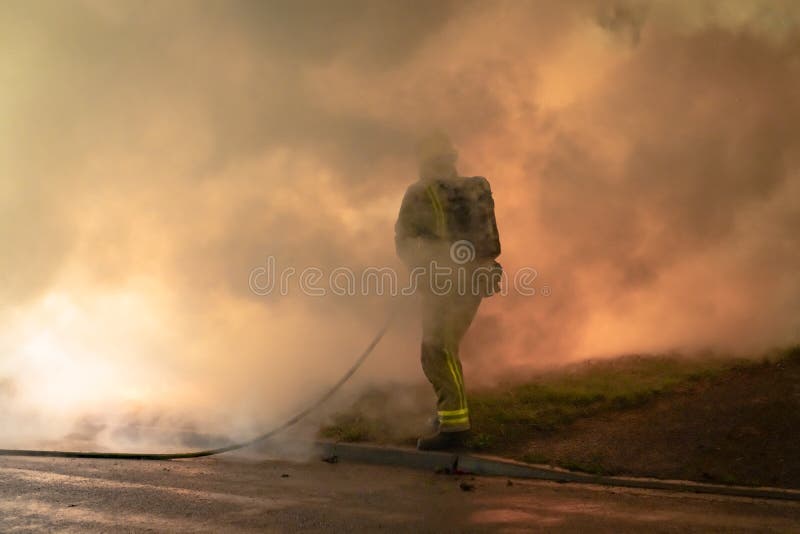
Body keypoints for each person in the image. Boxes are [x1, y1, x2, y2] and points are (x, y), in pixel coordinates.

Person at [395, 131, 502, 451]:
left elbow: (405, 242)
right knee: (447, 347)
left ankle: (454, 428)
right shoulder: (478, 187)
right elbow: (487, 238)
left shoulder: (418, 193)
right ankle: (447, 415)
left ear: (423, 162)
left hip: (444, 284)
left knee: (437, 351)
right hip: (479, 278)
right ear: (452, 159)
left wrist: (420, 268)